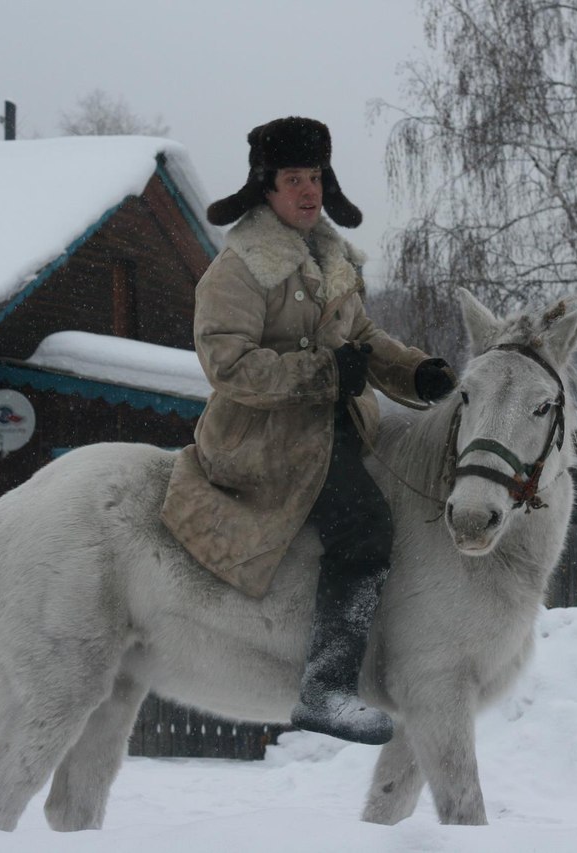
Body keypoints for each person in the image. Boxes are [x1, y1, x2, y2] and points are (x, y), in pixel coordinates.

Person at [160, 117, 457, 745]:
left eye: (316, 178)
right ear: (266, 188)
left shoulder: (335, 260)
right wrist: (323, 372)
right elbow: (228, 366)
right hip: (264, 444)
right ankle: (325, 687)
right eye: (293, 179)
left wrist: (417, 372)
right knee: (366, 527)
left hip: (338, 432)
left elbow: (366, 342)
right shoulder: (237, 270)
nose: (308, 192)